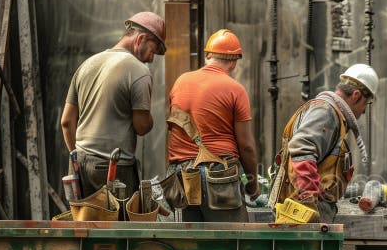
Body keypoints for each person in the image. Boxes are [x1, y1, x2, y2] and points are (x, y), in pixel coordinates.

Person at [61, 12, 166, 198]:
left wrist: (76, 158)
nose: (151, 58)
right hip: (114, 168)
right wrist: (152, 120)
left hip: (80, 164)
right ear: (141, 39)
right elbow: (142, 126)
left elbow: (66, 122)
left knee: (84, 216)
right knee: (118, 217)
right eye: (153, 50)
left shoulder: (87, 65)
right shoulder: (138, 71)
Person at [166, 29, 258, 222]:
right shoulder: (235, 90)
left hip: (182, 176)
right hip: (218, 176)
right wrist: (252, 185)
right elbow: (246, 146)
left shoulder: (180, 82)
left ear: (207, 56)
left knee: (193, 237)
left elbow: (174, 129)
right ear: (233, 62)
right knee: (233, 237)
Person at [271, 64, 377, 223]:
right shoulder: (326, 111)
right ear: (356, 95)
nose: (363, 111)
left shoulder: (332, 112)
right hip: (303, 213)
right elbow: (302, 149)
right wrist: (309, 198)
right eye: (366, 104)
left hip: (306, 210)